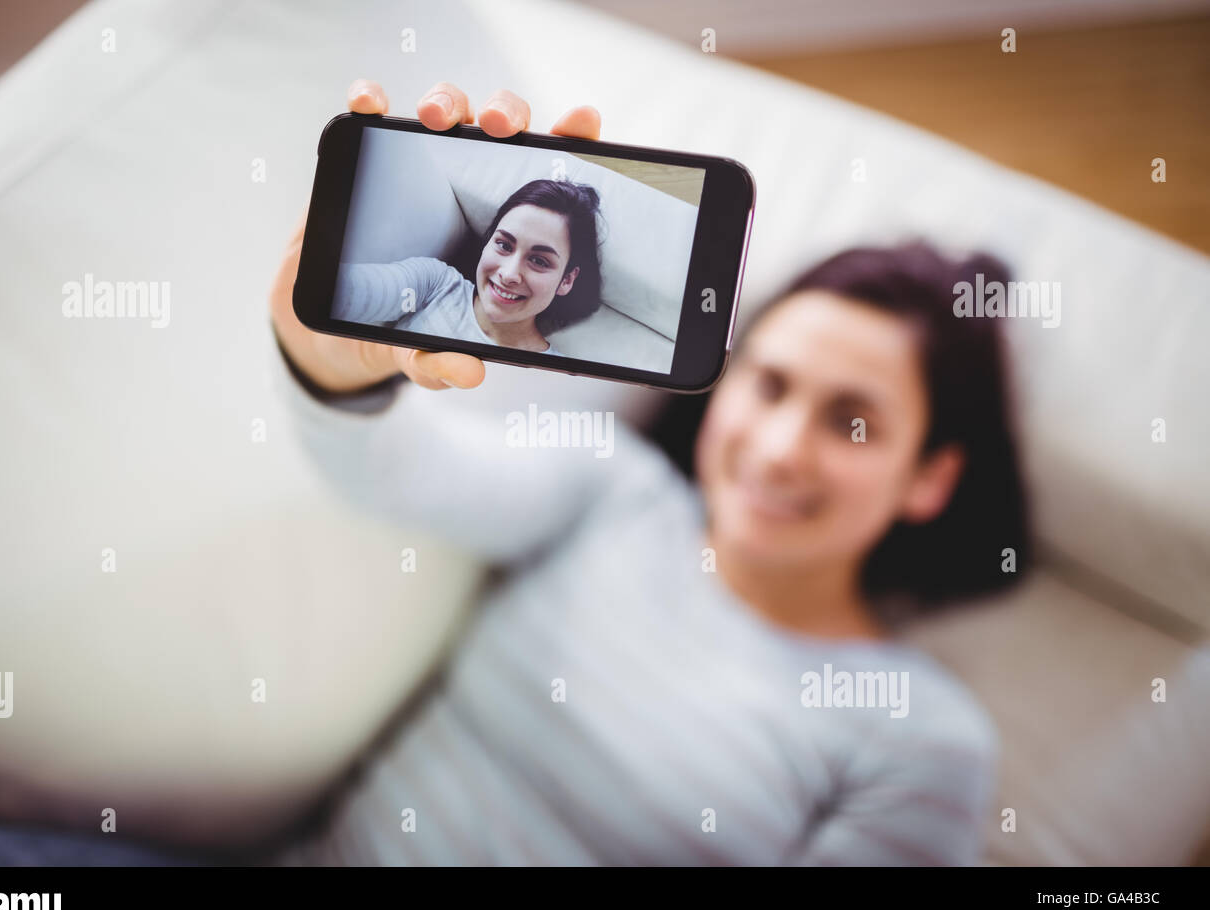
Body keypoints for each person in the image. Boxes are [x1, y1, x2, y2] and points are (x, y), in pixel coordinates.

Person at [266, 79, 1030, 865]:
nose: (778, 449)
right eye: (768, 385)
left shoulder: (921, 736)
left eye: (850, 422)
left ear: (929, 477)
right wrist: (329, 367)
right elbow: (395, 472)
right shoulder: (613, 488)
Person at [334, 178, 603, 359]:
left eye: (539, 261)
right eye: (504, 245)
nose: (509, 274)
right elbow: (349, 291)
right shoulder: (434, 285)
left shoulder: (553, 373)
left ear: (567, 279)